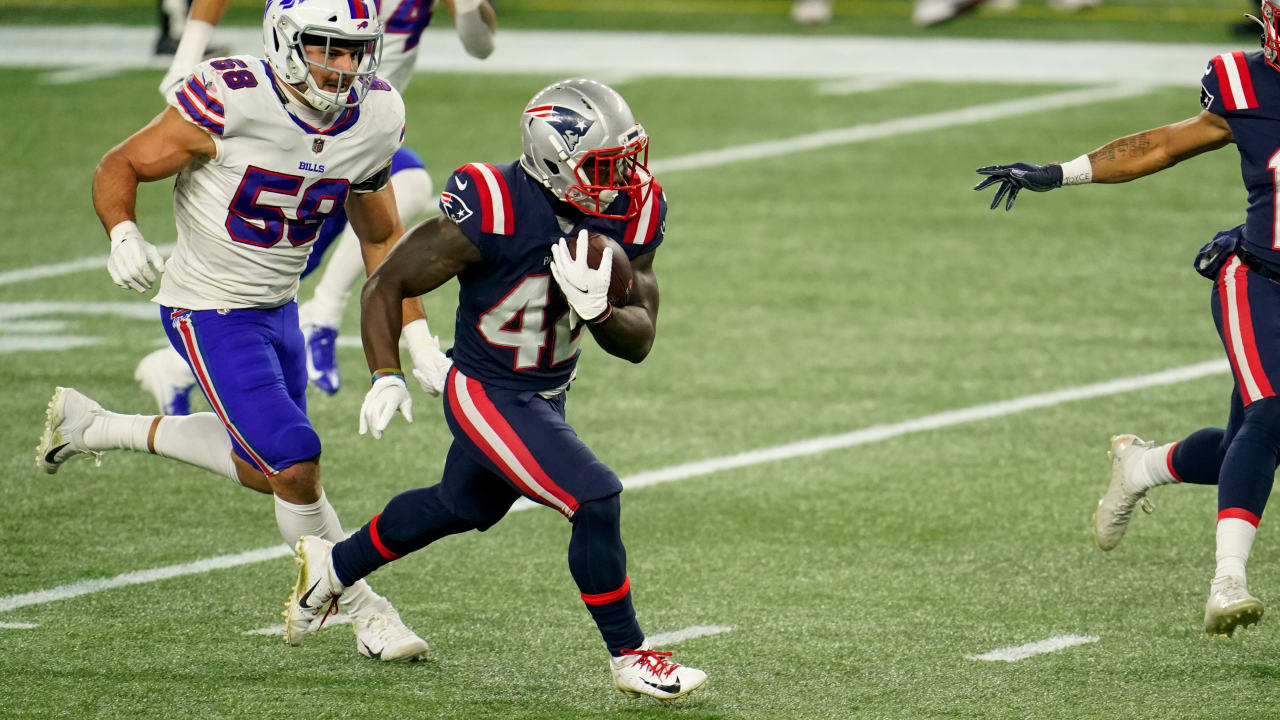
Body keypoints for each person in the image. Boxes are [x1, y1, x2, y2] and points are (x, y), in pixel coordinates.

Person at [282, 78, 709, 703]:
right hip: (485, 389)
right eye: (603, 166)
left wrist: (600, 314)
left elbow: (640, 340)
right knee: (595, 498)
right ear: (555, 160)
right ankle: (631, 656)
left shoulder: (635, 207)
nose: (624, 179)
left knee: (463, 505)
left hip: (547, 389)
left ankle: (333, 568)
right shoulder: (494, 201)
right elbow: (388, 283)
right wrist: (388, 371)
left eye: (625, 160)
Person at [39, 0, 429, 661]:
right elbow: (121, 163)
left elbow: (382, 237)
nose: (342, 67)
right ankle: (368, 610)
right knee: (297, 462)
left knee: (267, 472)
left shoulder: (377, 115)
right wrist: (123, 230)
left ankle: (95, 425)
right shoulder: (228, 98)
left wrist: (410, 346)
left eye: (355, 49)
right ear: (284, 40)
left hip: (277, 303)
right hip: (208, 307)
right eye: (325, 47)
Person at [973, 2, 1280, 638]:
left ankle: (1143, 465)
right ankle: (1228, 580)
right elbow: (1163, 144)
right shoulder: (1245, 84)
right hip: (1259, 283)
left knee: (1241, 448)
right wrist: (1060, 173)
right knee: (1270, 415)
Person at [138, 0, 495, 411]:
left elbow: (480, 45)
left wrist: (469, 7)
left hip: (358, 133)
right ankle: (319, 315)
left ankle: (177, 368)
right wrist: (187, 55)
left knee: (275, 281)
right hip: (294, 125)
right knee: (255, 279)